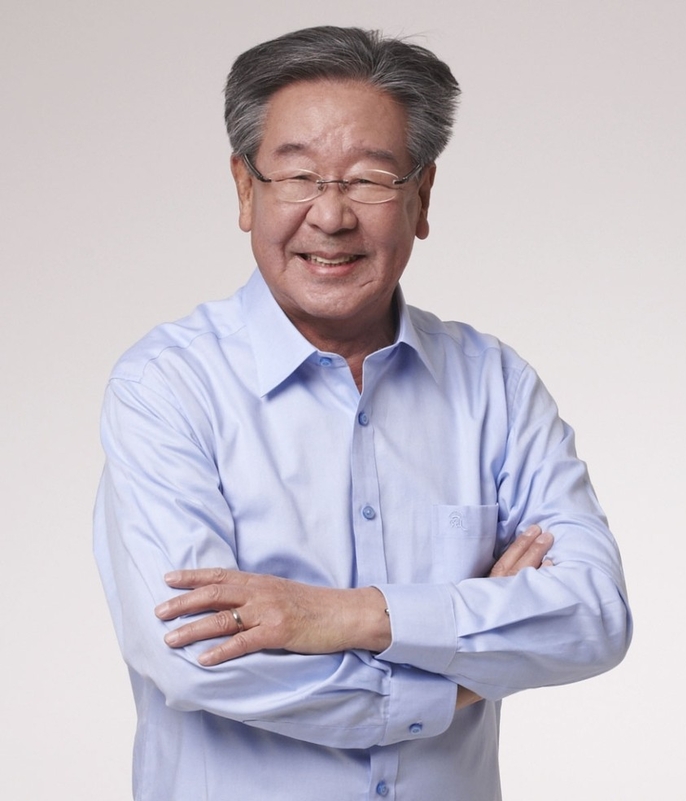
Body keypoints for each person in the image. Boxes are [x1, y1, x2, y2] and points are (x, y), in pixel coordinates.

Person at [94, 25, 632, 801]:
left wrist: (345, 615)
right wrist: (460, 673)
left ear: (421, 196)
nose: (331, 215)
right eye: (298, 175)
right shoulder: (169, 387)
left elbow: (594, 614)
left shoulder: (495, 385)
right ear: (245, 189)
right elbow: (198, 658)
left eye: (370, 179)